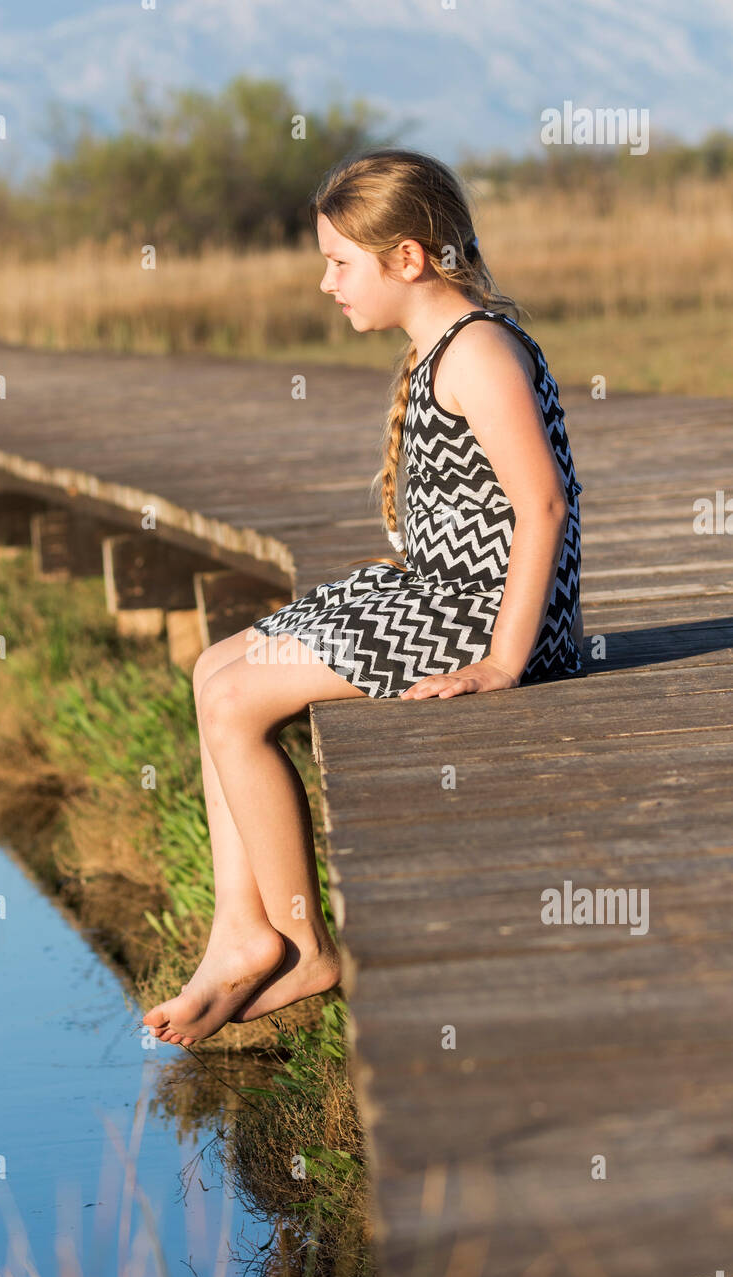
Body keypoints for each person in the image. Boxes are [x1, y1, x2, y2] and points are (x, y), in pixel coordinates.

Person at [143, 147, 584, 1047]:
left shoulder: (480, 351)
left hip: (483, 619)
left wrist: (502, 662)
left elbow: (543, 504)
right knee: (215, 669)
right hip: (439, 595)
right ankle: (241, 930)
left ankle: (305, 944)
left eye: (341, 262)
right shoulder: (445, 345)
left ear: (408, 259)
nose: (325, 282)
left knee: (234, 701)